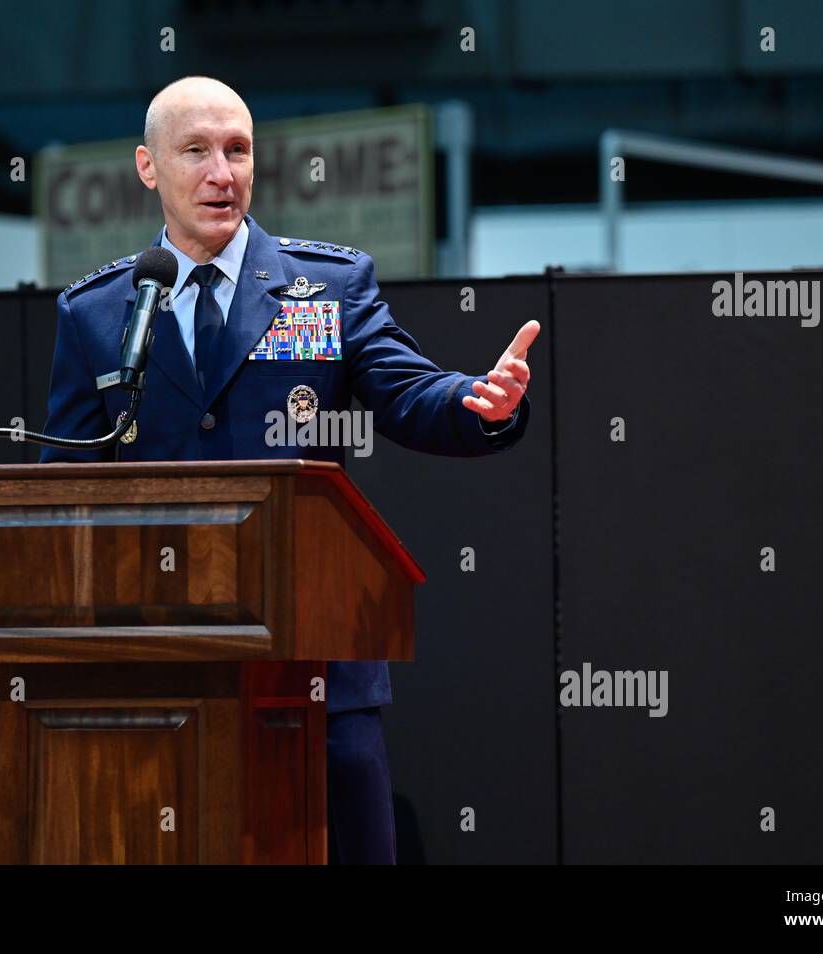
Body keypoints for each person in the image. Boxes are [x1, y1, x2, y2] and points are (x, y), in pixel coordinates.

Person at [40, 77, 539, 864]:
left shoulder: (328, 286)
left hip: (317, 674)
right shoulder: (98, 311)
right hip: (162, 673)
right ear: (147, 167)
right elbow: (60, 488)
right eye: (196, 151)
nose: (222, 173)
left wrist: (481, 401)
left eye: (237, 150)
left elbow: (411, 393)